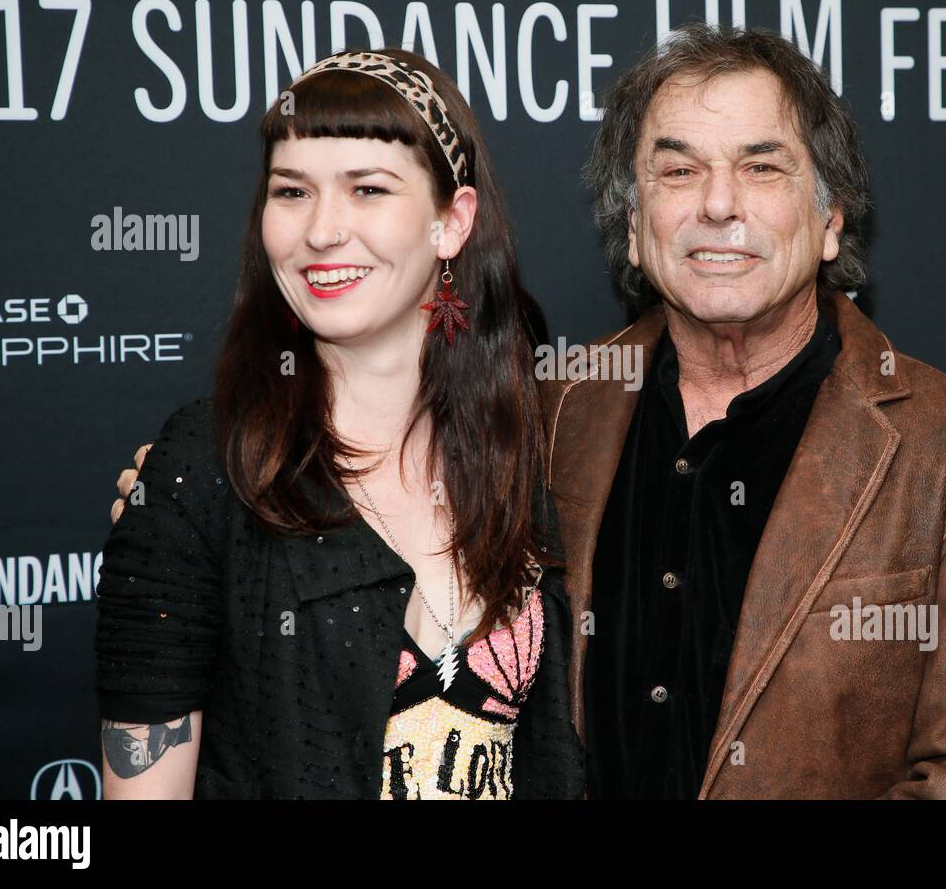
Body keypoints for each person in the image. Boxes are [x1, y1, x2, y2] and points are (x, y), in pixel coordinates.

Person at [549, 22, 946, 798]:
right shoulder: (552, 414)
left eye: (762, 167)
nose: (719, 206)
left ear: (829, 221)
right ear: (632, 223)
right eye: (679, 170)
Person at [96, 48, 585, 799]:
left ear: (451, 223)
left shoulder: (526, 448)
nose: (322, 230)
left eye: (367, 189)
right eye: (291, 191)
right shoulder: (203, 469)